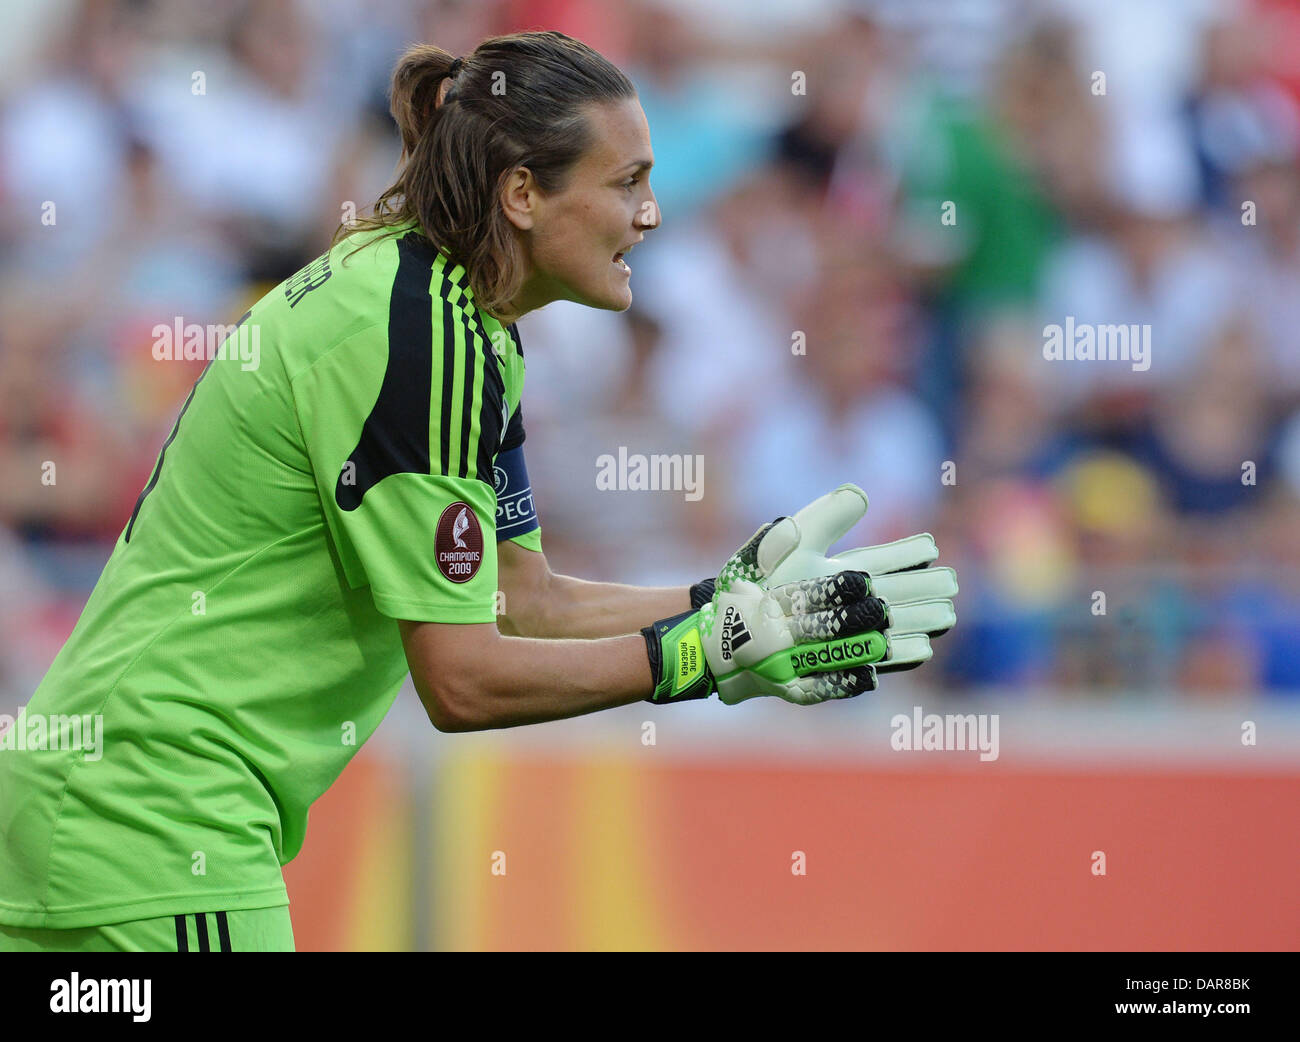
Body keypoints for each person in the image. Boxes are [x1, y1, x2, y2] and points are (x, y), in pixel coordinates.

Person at [0, 31, 954, 953]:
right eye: (628, 184)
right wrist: (703, 653)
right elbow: (461, 680)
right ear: (524, 193)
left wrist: (723, 597)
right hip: (159, 826)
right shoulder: (424, 337)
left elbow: (516, 598)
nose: (652, 215)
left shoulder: (444, 313)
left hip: (90, 806)